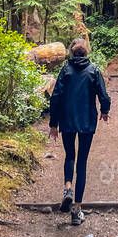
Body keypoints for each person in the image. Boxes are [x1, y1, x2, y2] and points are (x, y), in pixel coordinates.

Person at [48, 37, 111, 226]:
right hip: (87, 122)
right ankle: (76, 211)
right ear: (87, 52)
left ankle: (68, 188)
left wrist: (53, 124)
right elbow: (104, 95)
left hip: (67, 121)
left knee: (70, 156)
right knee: (82, 161)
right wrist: (105, 111)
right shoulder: (94, 71)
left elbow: (56, 97)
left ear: (71, 52)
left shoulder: (65, 70)